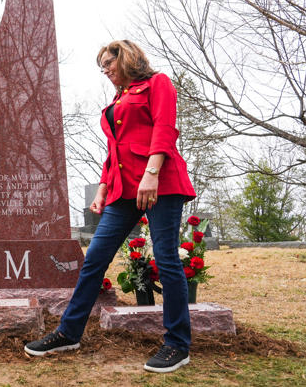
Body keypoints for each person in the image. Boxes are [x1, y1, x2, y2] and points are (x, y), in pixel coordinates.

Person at [24, 39, 196, 373]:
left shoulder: (157, 83)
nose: (105, 70)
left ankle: (177, 344)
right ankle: (68, 332)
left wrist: (151, 175)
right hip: (123, 190)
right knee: (95, 259)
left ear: (126, 58)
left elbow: (165, 128)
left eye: (108, 63)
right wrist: (103, 189)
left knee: (166, 259)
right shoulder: (119, 99)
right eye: (102, 66)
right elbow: (114, 151)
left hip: (160, 182)